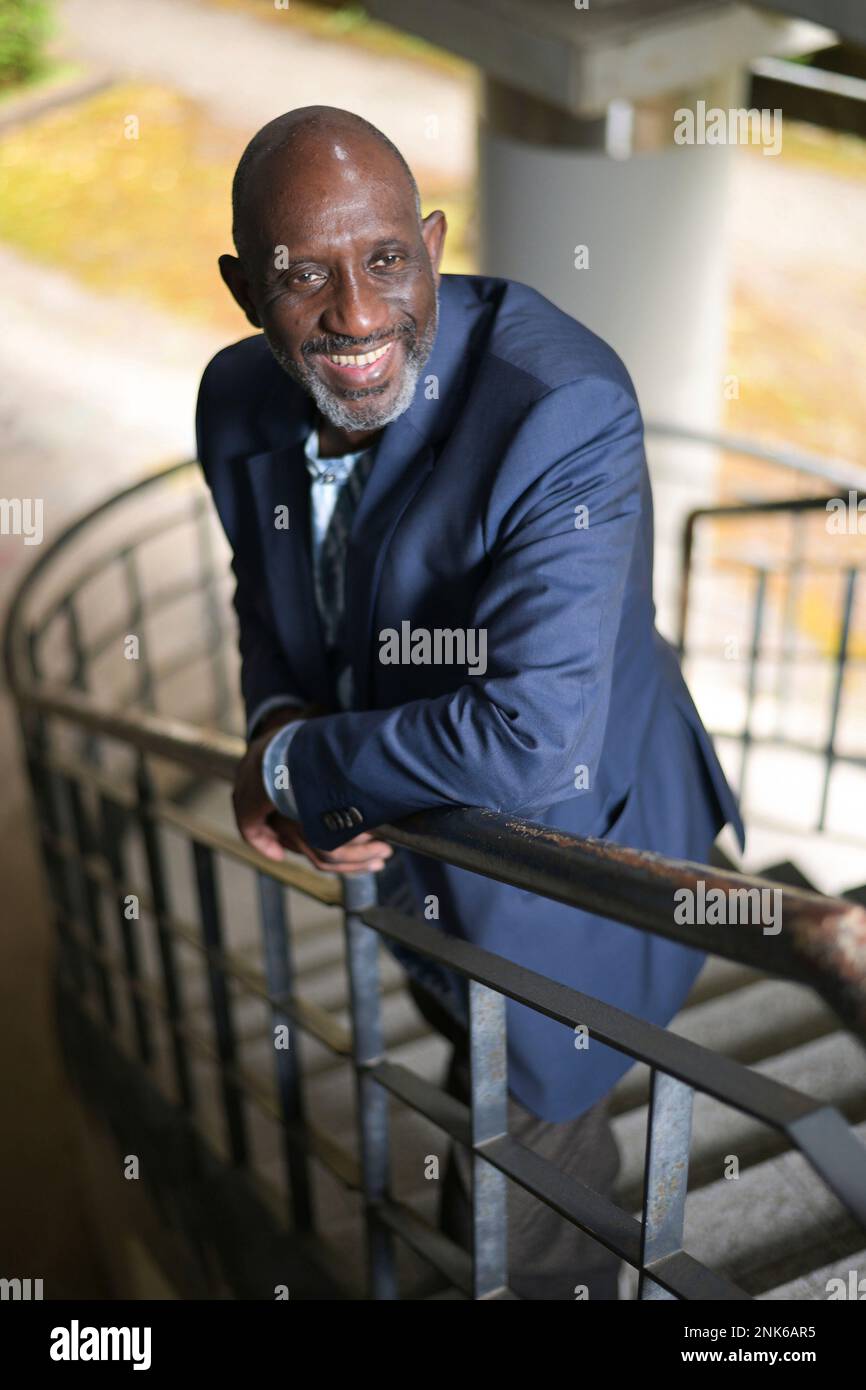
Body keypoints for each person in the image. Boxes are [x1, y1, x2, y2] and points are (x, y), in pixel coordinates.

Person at [195, 105, 744, 1299]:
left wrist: (295, 776)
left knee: (531, 1163)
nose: (354, 312)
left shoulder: (561, 405)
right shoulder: (236, 401)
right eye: (303, 276)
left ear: (431, 244)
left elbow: (528, 740)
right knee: (462, 1040)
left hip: (573, 856)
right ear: (245, 288)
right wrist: (276, 721)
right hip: (406, 857)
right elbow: (272, 610)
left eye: (385, 258)